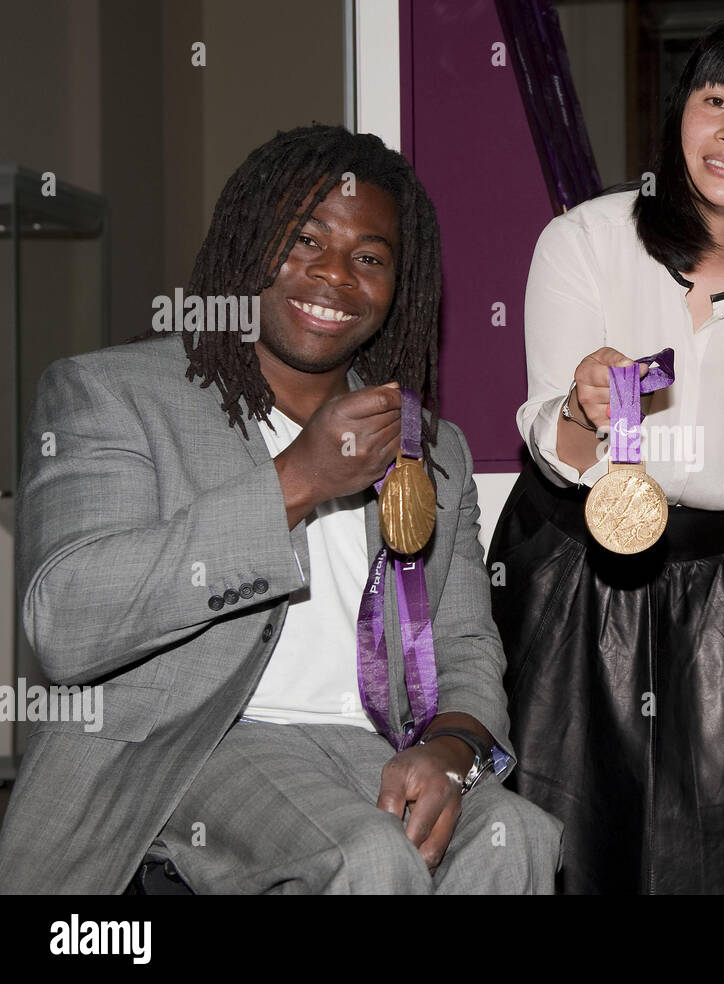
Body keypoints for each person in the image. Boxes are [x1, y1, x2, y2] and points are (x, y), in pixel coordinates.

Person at [0, 124, 562, 894]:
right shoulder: (113, 395)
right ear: (246, 245)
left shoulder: (434, 449)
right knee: (369, 853)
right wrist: (295, 479)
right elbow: (64, 621)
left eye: (369, 258)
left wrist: (454, 750)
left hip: (374, 746)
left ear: (400, 288)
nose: (333, 275)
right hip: (197, 747)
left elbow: (465, 645)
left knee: (517, 834)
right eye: (303, 240)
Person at [487, 15, 724, 894]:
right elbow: (556, 445)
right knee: (551, 849)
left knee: (707, 855)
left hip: (717, 588)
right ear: (679, 120)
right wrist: (588, 407)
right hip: (567, 569)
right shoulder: (585, 241)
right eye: (714, 100)